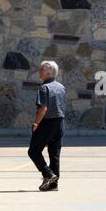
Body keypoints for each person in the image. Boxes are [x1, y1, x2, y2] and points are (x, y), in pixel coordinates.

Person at [28, 59, 66, 191]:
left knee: (33, 151)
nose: (39, 72)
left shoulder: (44, 88)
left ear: (48, 72)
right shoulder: (61, 87)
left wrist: (36, 123)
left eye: (41, 70)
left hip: (47, 122)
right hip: (60, 122)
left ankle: (48, 174)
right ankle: (54, 184)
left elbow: (43, 108)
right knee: (54, 153)